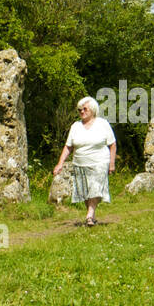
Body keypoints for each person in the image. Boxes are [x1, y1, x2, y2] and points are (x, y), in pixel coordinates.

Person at [53, 96, 116, 227]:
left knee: (95, 188)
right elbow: (68, 146)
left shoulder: (102, 124)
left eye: (84, 109)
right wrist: (60, 163)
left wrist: (111, 163)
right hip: (80, 163)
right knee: (85, 192)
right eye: (79, 109)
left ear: (92, 110)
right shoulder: (75, 126)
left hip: (99, 162)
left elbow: (112, 144)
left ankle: (89, 215)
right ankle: (92, 216)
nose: (82, 111)